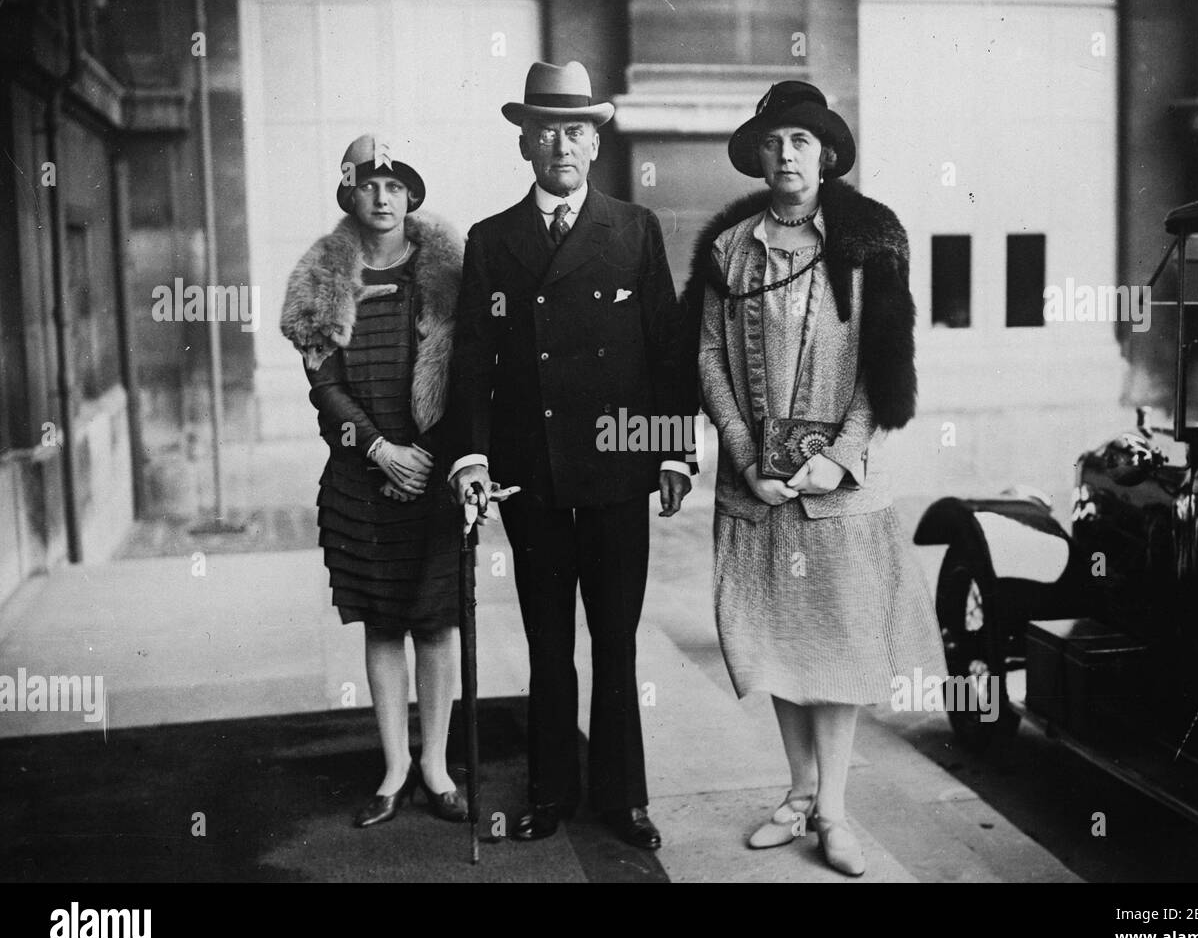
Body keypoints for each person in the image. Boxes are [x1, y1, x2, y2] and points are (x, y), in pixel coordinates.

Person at [686, 82, 945, 876]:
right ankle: (796, 793)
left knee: (838, 648)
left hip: (842, 490)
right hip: (756, 488)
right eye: (775, 141)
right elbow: (705, 356)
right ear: (759, 155)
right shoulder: (731, 252)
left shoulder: (867, 243)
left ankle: (832, 810)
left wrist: (839, 455)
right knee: (777, 647)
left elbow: (884, 363)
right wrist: (741, 451)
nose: (788, 153)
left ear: (826, 155)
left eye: (803, 140)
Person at [444, 61, 697, 850]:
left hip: (619, 470)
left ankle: (621, 799)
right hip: (534, 476)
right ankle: (551, 791)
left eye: (578, 129)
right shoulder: (492, 241)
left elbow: (667, 350)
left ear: (595, 142)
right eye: (549, 129)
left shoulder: (635, 228)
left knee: (616, 641)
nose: (564, 143)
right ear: (525, 143)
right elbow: (472, 363)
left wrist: (674, 449)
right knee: (549, 642)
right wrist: (472, 461)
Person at [280, 134, 470, 828]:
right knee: (385, 623)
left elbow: (468, 373)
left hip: (435, 468)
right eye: (370, 185)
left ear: (411, 195)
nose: (383, 197)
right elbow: (325, 387)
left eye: (395, 185)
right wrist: (381, 451)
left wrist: (430, 456)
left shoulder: (449, 273)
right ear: (350, 194)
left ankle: (437, 763)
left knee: (438, 622)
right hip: (363, 475)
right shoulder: (323, 280)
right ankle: (394, 765)